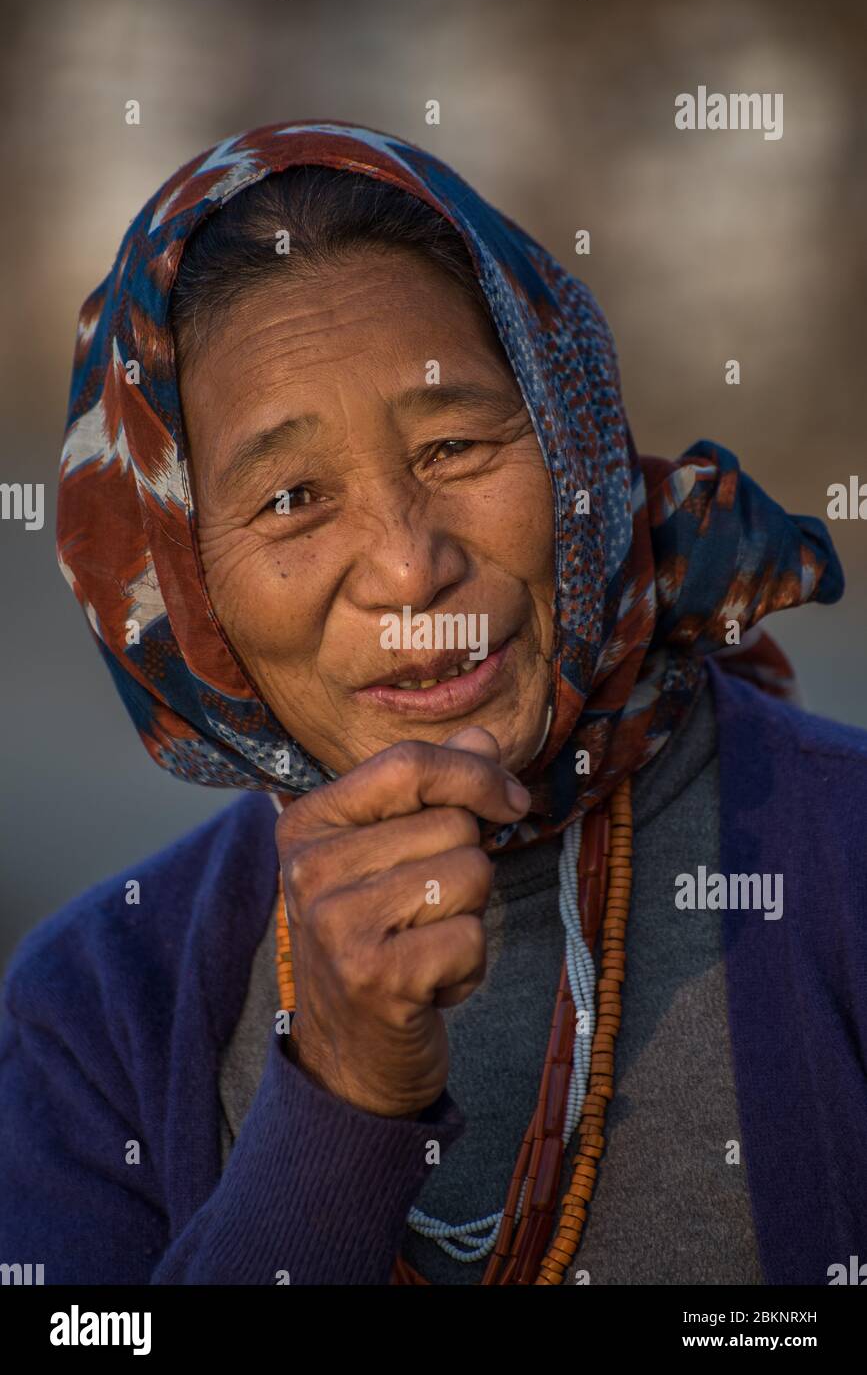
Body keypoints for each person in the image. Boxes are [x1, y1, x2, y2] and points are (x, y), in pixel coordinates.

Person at [2, 121, 866, 1287]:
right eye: (294, 497)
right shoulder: (97, 1008)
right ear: (181, 584)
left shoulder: (843, 864)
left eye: (457, 443)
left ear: (572, 444)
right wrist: (343, 1102)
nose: (410, 569)